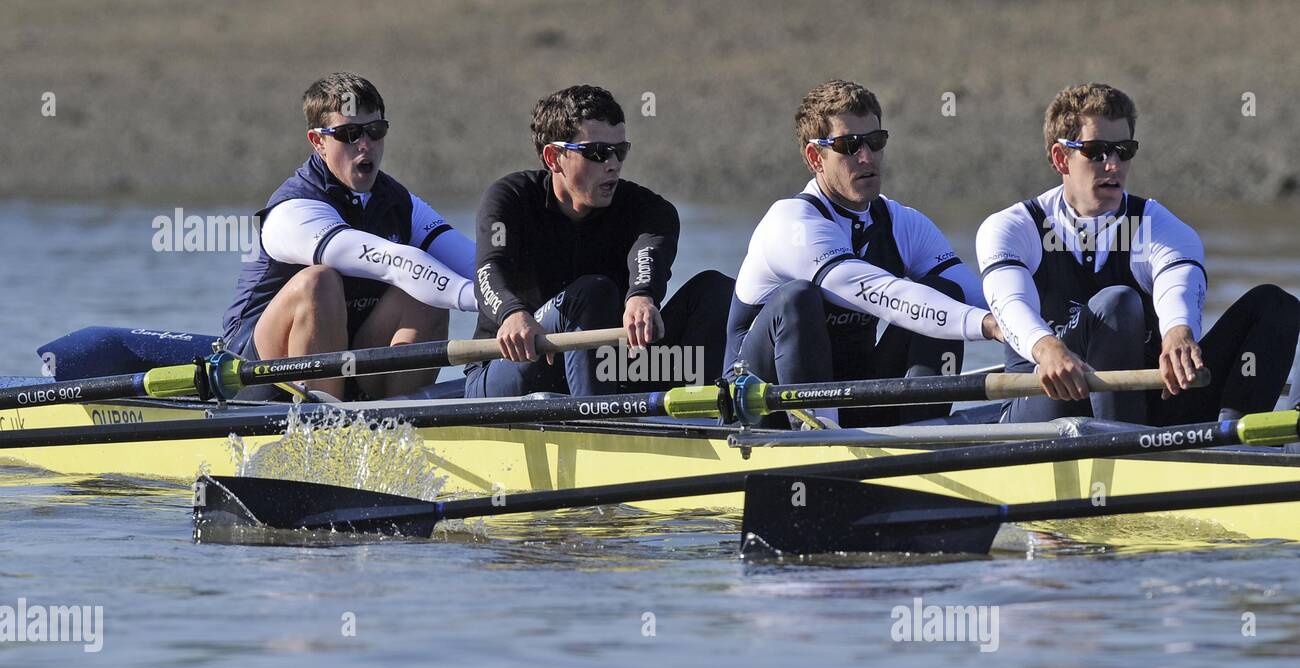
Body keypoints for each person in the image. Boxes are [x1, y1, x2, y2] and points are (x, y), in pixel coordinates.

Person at [977, 82, 1299, 425]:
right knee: (1116, 304)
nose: (1113, 165)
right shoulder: (1011, 228)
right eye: (1097, 152)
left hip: (1148, 407)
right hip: (1045, 402)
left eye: (1123, 150)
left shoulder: (1160, 225)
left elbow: (1178, 282)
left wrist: (1178, 330)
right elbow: (1010, 304)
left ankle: (1232, 437)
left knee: (1275, 304)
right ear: (1061, 158)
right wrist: (1047, 348)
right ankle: (1123, 449)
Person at [725, 79, 1002, 428]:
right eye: (848, 145)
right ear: (815, 157)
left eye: (875, 141)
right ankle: (817, 438)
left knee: (946, 295)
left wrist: (1042, 337)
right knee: (798, 297)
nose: (866, 157)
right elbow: (880, 294)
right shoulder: (791, 224)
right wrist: (986, 326)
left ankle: (926, 434)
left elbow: (982, 301)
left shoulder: (903, 223)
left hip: (855, 397)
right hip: (760, 410)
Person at [466, 85, 734, 398]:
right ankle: (602, 426)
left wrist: (642, 295)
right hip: (515, 364)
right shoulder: (510, 199)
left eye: (620, 151)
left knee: (716, 289)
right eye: (597, 153)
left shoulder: (649, 210)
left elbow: (649, 254)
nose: (613, 164)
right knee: (593, 292)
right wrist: (512, 313)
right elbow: (488, 270)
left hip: (613, 367)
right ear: (554, 157)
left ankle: (707, 416)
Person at [222, 72, 478, 399]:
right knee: (319, 282)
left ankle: (404, 420)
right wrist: (481, 302)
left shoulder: (401, 203)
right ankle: (321, 425)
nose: (365, 144)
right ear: (318, 142)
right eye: (348, 133)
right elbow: (395, 263)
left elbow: (475, 264)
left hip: (349, 360)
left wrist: (520, 305)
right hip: (256, 375)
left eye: (375, 130)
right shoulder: (293, 211)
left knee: (425, 296)